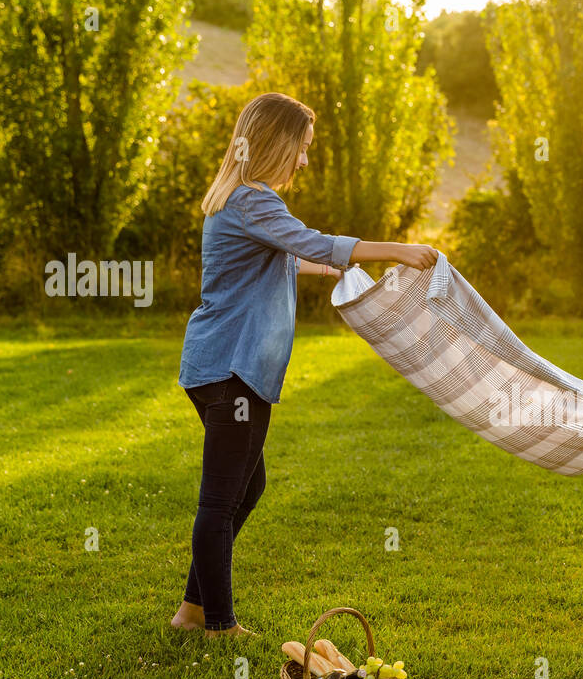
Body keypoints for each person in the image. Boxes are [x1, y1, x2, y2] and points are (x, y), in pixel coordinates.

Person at [172, 91, 438, 638]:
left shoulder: (242, 203)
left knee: (246, 488)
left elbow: (286, 256)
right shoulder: (251, 200)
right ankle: (216, 623)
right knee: (221, 499)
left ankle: (193, 611)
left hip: (223, 368)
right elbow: (307, 240)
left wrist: (332, 273)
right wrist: (394, 249)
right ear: (276, 143)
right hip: (232, 371)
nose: (305, 161)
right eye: (302, 148)